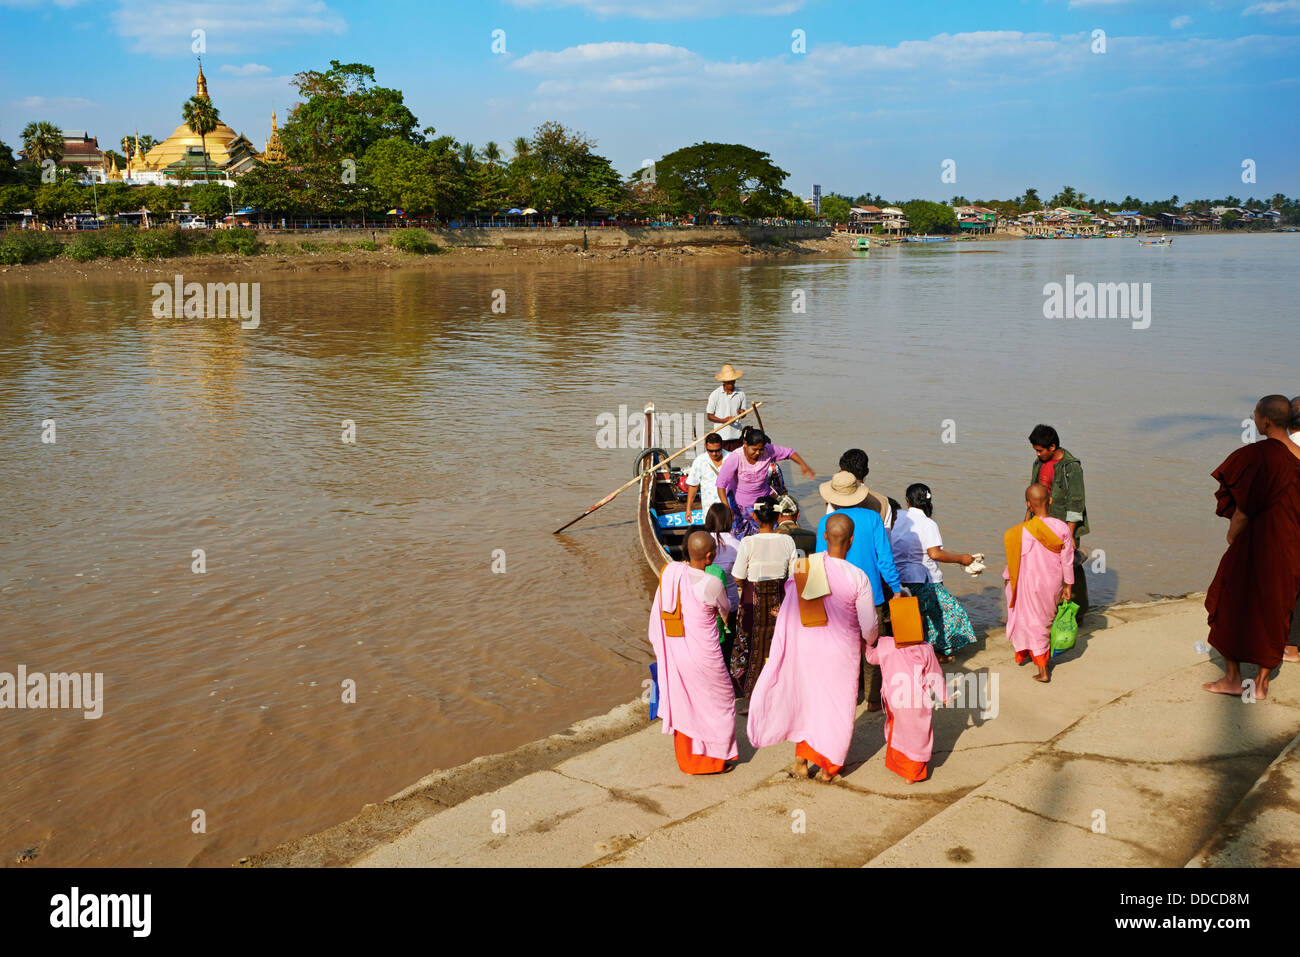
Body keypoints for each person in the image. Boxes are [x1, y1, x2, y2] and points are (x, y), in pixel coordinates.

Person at [746, 513, 878, 782]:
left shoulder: (806, 568)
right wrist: (871, 641)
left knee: (809, 702)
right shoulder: (858, 577)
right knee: (836, 707)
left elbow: (789, 611)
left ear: (825, 538)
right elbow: (869, 625)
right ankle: (829, 769)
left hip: (806, 648)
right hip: (840, 654)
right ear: (851, 541)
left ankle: (801, 760)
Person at [1202, 395, 1300, 700]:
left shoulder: (1256, 455)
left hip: (1255, 543)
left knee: (1230, 602)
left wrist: (1233, 535)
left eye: (1255, 415)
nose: (1253, 419)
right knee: (1276, 607)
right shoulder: (1298, 456)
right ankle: (1260, 683)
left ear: (1266, 420)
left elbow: (1243, 507)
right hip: (1289, 544)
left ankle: (1232, 678)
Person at [647, 530, 737, 774]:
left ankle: (690, 761)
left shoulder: (669, 574)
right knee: (720, 702)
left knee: (685, 701)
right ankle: (713, 760)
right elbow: (725, 608)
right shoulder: (712, 583)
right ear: (709, 557)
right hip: (704, 655)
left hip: (677, 653)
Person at [816, 470, 901, 710]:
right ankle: (874, 698)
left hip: (836, 593)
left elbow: (820, 559)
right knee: (872, 642)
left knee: (843, 644)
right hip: (871, 591)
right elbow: (884, 558)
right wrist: (895, 587)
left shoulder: (827, 522)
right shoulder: (873, 518)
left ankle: (849, 694)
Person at [864, 596, 948, 784]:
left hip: (895, 698)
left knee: (899, 729)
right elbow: (935, 674)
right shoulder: (925, 648)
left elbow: (871, 658)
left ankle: (899, 765)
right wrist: (944, 696)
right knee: (918, 734)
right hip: (918, 700)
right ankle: (913, 773)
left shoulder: (886, 646)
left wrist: (865, 643)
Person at [891, 483, 978, 663]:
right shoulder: (928, 523)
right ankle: (936, 652)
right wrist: (961, 558)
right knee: (950, 614)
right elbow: (934, 554)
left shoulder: (897, 518)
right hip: (923, 579)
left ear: (908, 501)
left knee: (910, 617)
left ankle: (910, 651)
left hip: (897, 578)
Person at [1003, 484, 1074, 683]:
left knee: (1031, 622)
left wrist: (1008, 578)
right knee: (1043, 622)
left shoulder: (1020, 531)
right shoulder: (1062, 528)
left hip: (1028, 583)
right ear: (1050, 501)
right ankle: (1038, 657)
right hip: (1051, 584)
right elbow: (1067, 560)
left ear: (1028, 505)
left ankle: (1043, 670)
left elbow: (1014, 558)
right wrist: (1068, 585)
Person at [729, 496, 797, 705]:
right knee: (778, 644)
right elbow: (794, 575)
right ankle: (779, 693)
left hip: (752, 600)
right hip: (780, 600)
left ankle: (750, 695)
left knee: (748, 644)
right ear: (778, 516)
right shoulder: (787, 541)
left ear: (755, 516)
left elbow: (738, 576)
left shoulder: (748, 542)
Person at [1029, 425, 1089, 617]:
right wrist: (1026, 524)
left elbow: (1076, 502)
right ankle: (1050, 609)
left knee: (1069, 567)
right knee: (1045, 567)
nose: (1037, 454)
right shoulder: (1039, 463)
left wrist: (1070, 534)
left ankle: (1076, 613)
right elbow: (1032, 496)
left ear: (1052, 447)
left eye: (1040, 450)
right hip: (1041, 524)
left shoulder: (1071, 467)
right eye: (1036, 450)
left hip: (1064, 525)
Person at [715, 426, 816, 539]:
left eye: (761, 449)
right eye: (754, 449)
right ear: (745, 444)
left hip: (763, 501)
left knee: (768, 534)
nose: (758, 453)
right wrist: (726, 507)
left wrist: (803, 465)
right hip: (741, 504)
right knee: (740, 535)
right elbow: (721, 485)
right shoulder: (735, 457)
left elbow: (790, 452)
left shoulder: (769, 450)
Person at [703, 502, 740, 659]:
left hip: (704, 602)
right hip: (729, 604)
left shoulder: (701, 542)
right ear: (729, 521)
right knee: (728, 644)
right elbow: (741, 576)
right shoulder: (737, 544)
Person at [824, 448, 892, 529]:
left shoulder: (835, 501)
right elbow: (886, 539)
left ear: (842, 472)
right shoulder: (884, 503)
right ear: (867, 472)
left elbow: (829, 533)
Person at [706, 364, 749, 451]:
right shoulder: (715, 394)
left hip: (737, 435)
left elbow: (744, 413)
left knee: (737, 460)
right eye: (728, 381)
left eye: (733, 381)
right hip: (721, 435)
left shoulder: (741, 394)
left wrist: (742, 413)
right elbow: (709, 416)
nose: (731, 383)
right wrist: (724, 420)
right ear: (724, 381)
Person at [684, 433, 727, 520]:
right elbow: (693, 485)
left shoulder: (731, 458)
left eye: (717, 450)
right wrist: (688, 509)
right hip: (709, 508)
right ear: (705, 447)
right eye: (710, 451)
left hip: (729, 506)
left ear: (722, 446)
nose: (714, 454)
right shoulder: (700, 461)